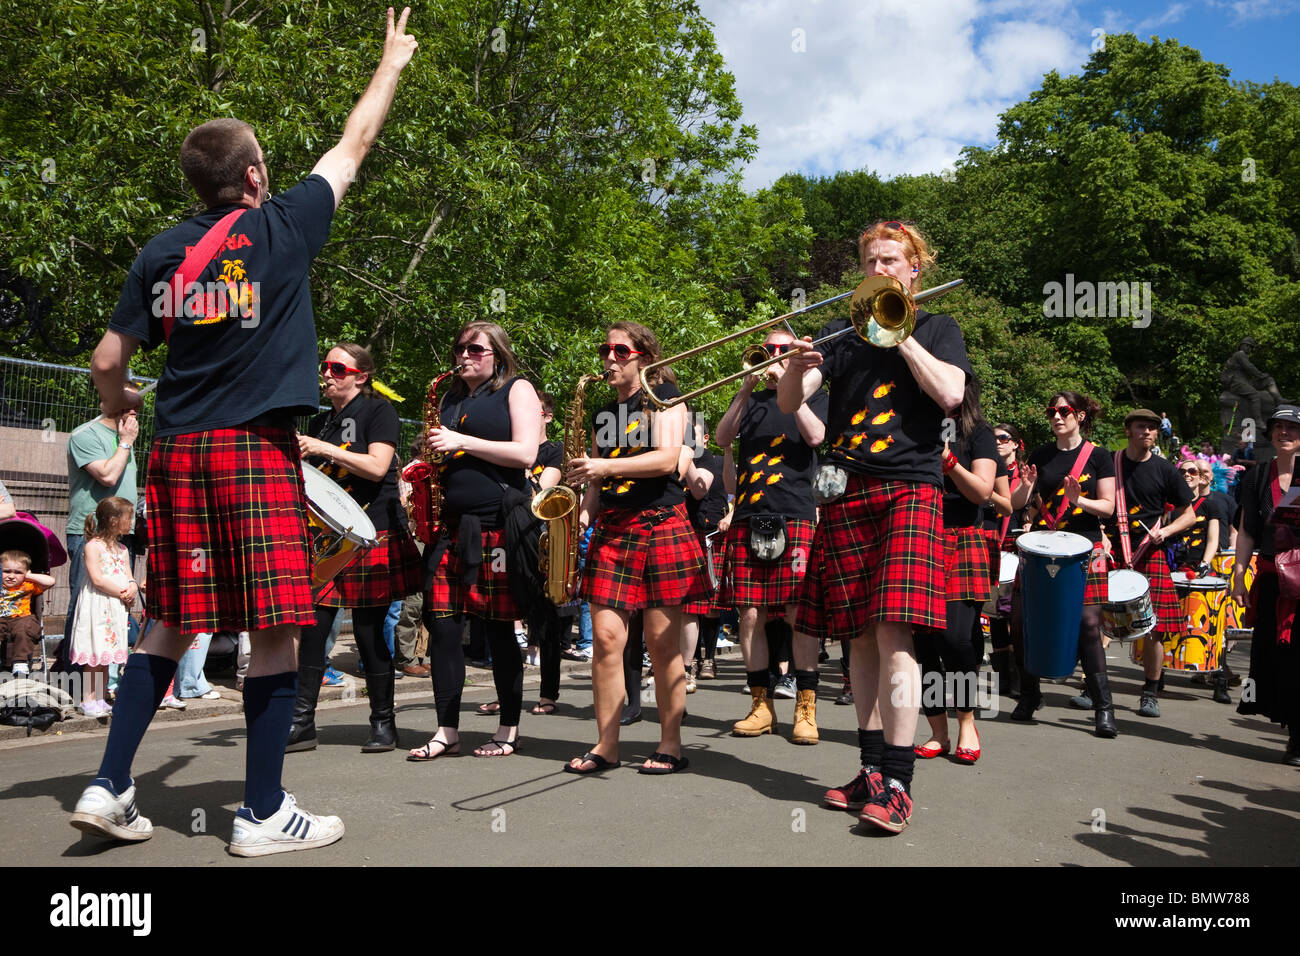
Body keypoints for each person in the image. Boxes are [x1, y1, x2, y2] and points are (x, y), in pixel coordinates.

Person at [70, 7, 418, 855]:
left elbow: (106, 360)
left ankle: (110, 786)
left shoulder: (160, 254)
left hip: (179, 453)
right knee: (274, 626)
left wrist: (122, 407)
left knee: (176, 618)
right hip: (253, 451)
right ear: (256, 174)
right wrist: (392, 63)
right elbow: (355, 142)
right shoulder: (283, 225)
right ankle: (263, 811)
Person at [781, 220, 969, 834]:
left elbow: (948, 394)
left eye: (892, 259)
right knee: (856, 637)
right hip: (845, 490)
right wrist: (793, 365)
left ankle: (898, 782)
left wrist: (900, 334)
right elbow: (790, 403)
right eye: (870, 261)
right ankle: (868, 769)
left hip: (909, 488)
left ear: (916, 268)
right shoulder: (842, 334)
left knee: (894, 636)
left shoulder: (939, 327)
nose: (880, 268)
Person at [563, 321, 705, 775]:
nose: (609, 357)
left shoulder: (666, 396)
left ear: (643, 355)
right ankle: (605, 745)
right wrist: (582, 515)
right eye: (605, 349)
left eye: (619, 350)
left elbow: (667, 459)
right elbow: (596, 479)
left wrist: (603, 463)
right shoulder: (603, 413)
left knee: (662, 645)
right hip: (613, 527)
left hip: (660, 523)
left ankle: (671, 744)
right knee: (605, 640)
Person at [406, 322, 542, 760]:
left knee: (500, 630)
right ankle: (447, 730)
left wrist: (460, 441)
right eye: (460, 348)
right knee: (444, 628)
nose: (465, 355)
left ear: (497, 354)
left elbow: (526, 453)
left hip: (498, 525)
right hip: (451, 526)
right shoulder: (450, 398)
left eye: (475, 349)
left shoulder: (517, 388)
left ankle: (508, 729)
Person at [288, 342, 422, 752]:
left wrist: (323, 449)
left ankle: (383, 723)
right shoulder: (323, 421)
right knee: (313, 630)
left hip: (372, 532)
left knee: (367, 632)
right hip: (330, 537)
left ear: (361, 376)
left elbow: (378, 466)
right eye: (324, 367)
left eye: (337, 368)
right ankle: (302, 723)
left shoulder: (379, 411)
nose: (327, 374)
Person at [716, 327, 827, 743]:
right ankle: (761, 705)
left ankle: (805, 706)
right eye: (768, 351)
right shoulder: (751, 401)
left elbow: (817, 437)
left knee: (799, 613)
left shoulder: (815, 396)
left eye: (781, 350)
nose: (772, 356)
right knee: (749, 614)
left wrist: (789, 387)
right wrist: (745, 389)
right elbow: (723, 438)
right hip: (749, 514)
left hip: (795, 513)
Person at [1009, 391, 1117, 735]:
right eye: (1051, 411)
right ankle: (1029, 695)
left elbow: (1109, 508)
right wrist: (1025, 488)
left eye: (1064, 411)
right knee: (1021, 620)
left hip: (1084, 549)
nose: (1056, 416)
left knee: (1087, 624)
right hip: (1042, 547)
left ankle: (1104, 708)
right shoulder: (1041, 454)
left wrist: (1078, 500)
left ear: (1080, 415)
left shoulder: (1099, 456)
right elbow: (1017, 503)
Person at [913, 377, 997, 763]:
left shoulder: (979, 434)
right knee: (924, 641)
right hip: (918, 535)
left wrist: (949, 464)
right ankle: (937, 731)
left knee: (956, 639)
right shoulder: (914, 425)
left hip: (962, 537)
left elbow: (982, 492)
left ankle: (967, 721)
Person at [1092, 409, 1195, 719]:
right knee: (1095, 621)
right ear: (1128, 430)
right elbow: (1093, 507)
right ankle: (1092, 687)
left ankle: (1150, 692)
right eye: (1141, 427)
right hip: (1112, 551)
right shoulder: (1109, 462)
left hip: (1150, 553)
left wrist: (1166, 530)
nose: (1148, 432)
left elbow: (1188, 514)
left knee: (1155, 629)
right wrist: (1100, 534)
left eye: (1152, 428)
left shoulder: (1165, 469)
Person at [1233, 404, 1300, 766]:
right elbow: (1247, 531)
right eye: (1278, 427)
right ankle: (1292, 725)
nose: (1284, 433)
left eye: (1292, 428)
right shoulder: (1258, 477)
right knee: (1280, 658)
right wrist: (1239, 572)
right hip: (1273, 579)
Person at [63, 404, 138, 650]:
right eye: (128, 405)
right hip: (92, 534)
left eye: (138, 406)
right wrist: (125, 443)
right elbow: (108, 476)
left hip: (122, 535)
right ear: (107, 402)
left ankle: (110, 679)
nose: (135, 413)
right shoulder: (85, 435)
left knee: (119, 607)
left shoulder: (124, 437)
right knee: (83, 607)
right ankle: (76, 679)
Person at [68, 497, 136, 716]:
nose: (132, 522)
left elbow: (128, 575)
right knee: (95, 651)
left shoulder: (123, 549)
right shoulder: (92, 546)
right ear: (114, 520)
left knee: (107, 655)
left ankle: (101, 696)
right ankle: (88, 699)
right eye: (129, 517)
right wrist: (122, 592)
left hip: (115, 605)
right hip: (97, 604)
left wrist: (132, 587)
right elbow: (97, 579)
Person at [679, 416, 726, 694]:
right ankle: (690, 661)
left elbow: (703, 491)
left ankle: (708, 657)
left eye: (692, 434)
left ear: (705, 438)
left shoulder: (714, 462)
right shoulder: (675, 461)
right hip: (686, 535)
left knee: (710, 606)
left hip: (711, 536)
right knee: (688, 606)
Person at [986, 422, 1027, 697]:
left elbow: (1030, 506)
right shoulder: (984, 468)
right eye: (994, 438)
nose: (998, 442)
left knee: (1018, 615)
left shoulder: (1025, 473)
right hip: (991, 543)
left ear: (1015, 444)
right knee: (996, 615)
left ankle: (1021, 678)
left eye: (1003, 438)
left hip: (1016, 546)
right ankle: (1003, 679)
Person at [1, 549, 55, 677]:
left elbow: (51, 581)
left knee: (25, 626)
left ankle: (20, 662)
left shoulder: (28, 585)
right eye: (6, 571)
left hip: (21, 618)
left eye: (18, 572)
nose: (11, 576)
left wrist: (28, 576)